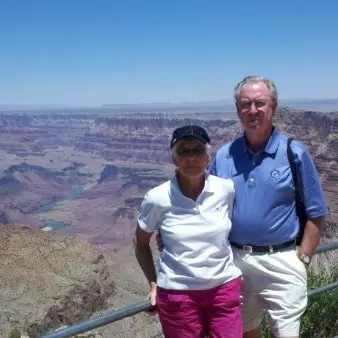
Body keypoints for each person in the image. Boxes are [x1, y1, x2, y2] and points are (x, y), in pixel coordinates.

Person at [209, 75, 328, 338]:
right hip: (236, 261)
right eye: (245, 104)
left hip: (282, 260)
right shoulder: (224, 155)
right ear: (237, 108)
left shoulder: (294, 153)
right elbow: (205, 205)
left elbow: (316, 213)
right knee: (247, 330)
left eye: (259, 103)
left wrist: (303, 258)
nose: (252, 110)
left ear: (273, 106)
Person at [134, 125, 243, 338]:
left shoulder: (225, 189)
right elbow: (140, 243)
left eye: (198, 150)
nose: (191, 157)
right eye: (184, 151)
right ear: (174, 159)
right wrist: (153, 283)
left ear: (208, 156)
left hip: (223, 289)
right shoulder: (157, 198)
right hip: (177, 294)